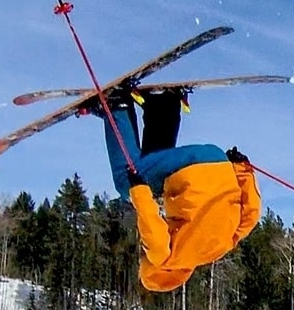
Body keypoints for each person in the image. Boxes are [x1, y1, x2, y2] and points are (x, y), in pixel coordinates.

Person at [90, 87, 261, 292]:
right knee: (126, 180)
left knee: (154, 175)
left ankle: (164, 105)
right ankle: (116, 106)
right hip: (190, 168)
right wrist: (138, 191)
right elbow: (152, 228)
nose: (143, 256)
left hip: (218, 160)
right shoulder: (164, 259)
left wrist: (241, 168)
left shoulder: (217, 250)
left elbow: (250, 217)